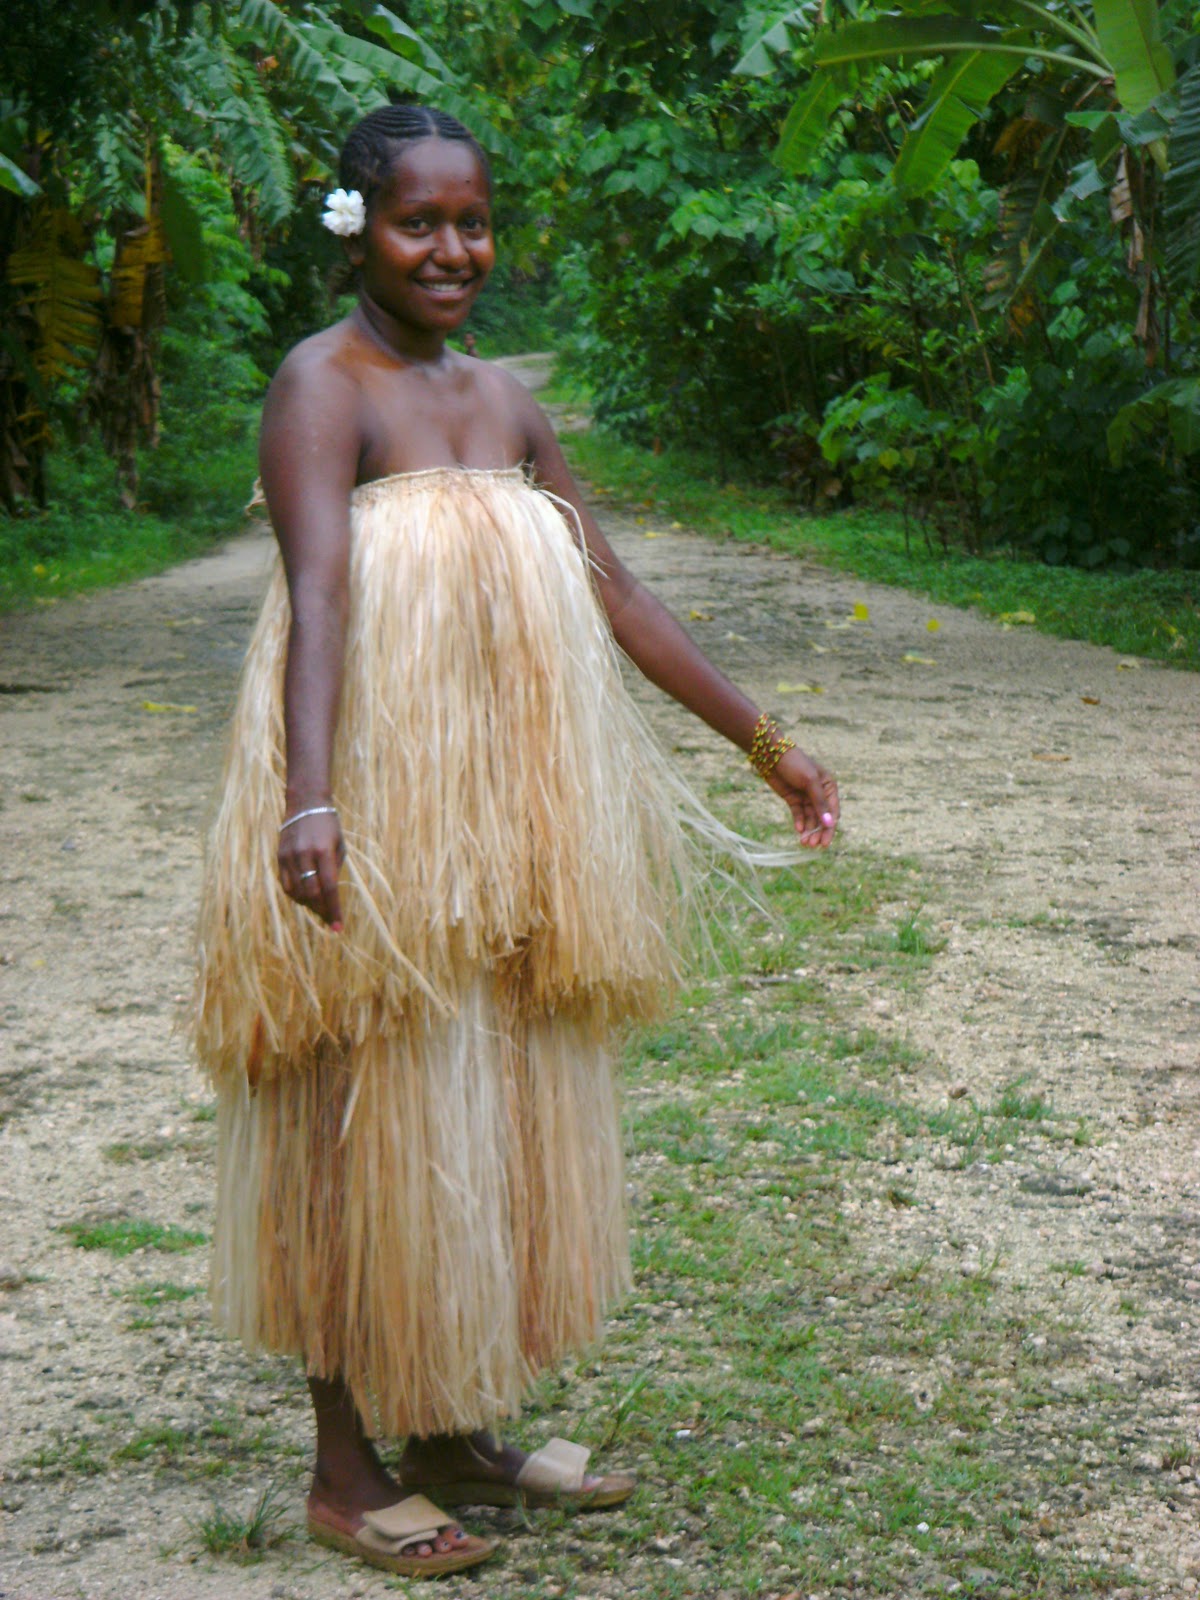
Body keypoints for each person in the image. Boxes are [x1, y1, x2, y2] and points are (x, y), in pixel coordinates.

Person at [193, 103, 838, 1580]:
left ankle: (455, 1432)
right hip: (364, 807)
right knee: (358, 1111)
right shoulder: (322, 386)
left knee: (487, 1106)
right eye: (419, 222)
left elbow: (615, 594)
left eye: (473, 221)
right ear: (360, 225)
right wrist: (308, 798)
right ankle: (346, 1470)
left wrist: (764, 741)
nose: (453, 250)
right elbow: (319, 598)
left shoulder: (503, 402)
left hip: (510, 819)